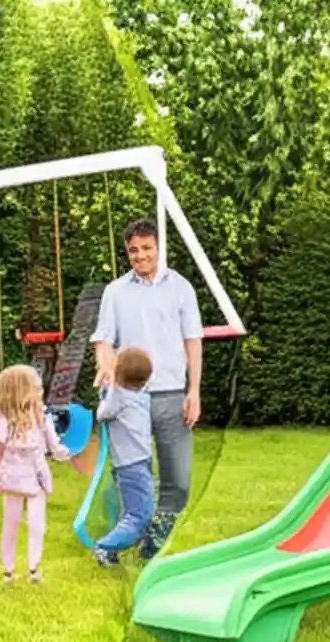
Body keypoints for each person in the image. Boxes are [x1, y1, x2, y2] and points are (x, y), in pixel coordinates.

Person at [90, 218, 202, 560]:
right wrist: (107, 370)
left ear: (159, 247)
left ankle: (152, 546)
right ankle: (119, 540)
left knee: (178, 481)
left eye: (147, 248)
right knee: (131, 475)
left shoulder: (180, 288)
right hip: (128, 397)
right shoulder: (116, 291)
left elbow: (193, 340)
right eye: (133, 250)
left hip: (171, 393)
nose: (140, 256)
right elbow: (103, 340)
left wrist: (194, 390)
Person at [0, 365, 72, 584]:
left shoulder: (40, 416)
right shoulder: (2, 420)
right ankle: (9, 569)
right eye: (36, 388)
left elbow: (53, 444)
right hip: (13, 476)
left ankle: (34, 567)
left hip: (36, 474)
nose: (40, 392)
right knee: (11, 524)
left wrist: (63, 453)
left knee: (37, 524)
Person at [92, 347, 156, 567]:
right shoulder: (120, 396)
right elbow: (102, 413)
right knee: (139, 515)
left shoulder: (139, 394)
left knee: (141, 510)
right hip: (131, 465)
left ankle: (127, 547)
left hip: (141, 461)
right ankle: (105, 546)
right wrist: (109, 388)